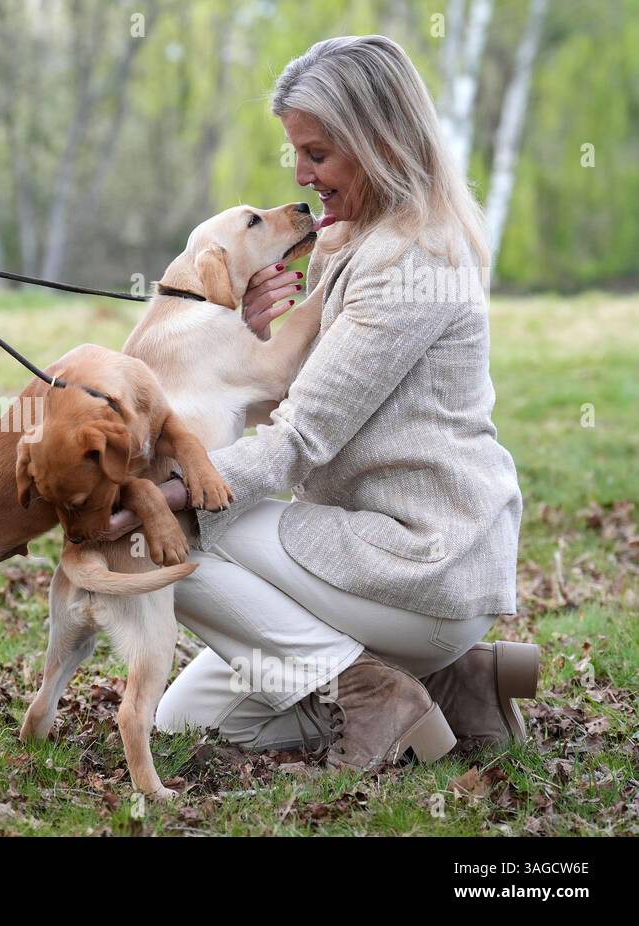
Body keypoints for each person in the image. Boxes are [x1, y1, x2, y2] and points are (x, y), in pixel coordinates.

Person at [104, 35, 536, 769]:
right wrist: (256, 339)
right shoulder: (346, 238)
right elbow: (300, 409)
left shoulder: (416, 260)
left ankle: (375, 692)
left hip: (422, 559)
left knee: (155, 540)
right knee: (189, 724)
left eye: (319, 154)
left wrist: (158, 494)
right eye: (297, 153)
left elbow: (302, 438)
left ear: (379, 142)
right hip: (353, 548)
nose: (303, 176)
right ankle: (454, 683)